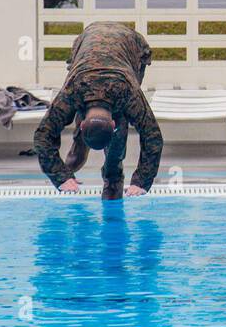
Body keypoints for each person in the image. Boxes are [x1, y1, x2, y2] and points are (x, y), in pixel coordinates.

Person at [34, 22, 163, 200]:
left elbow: (152, 135)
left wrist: (142, 179)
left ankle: (113, 178)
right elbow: (43, 135)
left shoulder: (128, 91)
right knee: (109, 117)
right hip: (86, 40)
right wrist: (60, 176)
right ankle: (81, 149)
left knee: (121, 119)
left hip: (132, 44)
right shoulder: (73, 88)